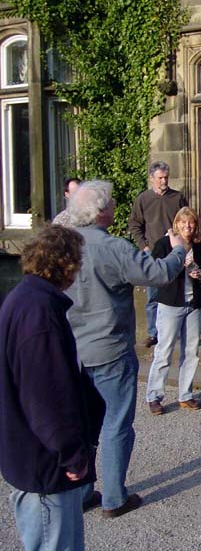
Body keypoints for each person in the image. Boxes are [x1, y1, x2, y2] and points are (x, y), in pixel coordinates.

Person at [67, 180, 187, 517]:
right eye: (113, 202)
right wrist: (179, 249)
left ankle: (82, 491)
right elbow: (158, 273)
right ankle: (114, 498)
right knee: (116, 422)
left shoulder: (65, 246)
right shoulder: (112, 247)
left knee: (85, 423)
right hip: (110, 349)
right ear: (103, 210)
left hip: (75, 350)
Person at [0, 225, 102, 551]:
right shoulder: (39, 314)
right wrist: (72, 454)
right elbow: (46, 397)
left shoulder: (24, 298)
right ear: (64, 264)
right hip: (45, 467)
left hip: (35, 460)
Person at [145, 207, 201, 414]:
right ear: (176, 224)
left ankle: (185, 395)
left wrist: (200, 274)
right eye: (183, 222)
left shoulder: (199, 248)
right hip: (170, 303)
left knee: (191, 351)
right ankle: (154, 396)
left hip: (192, 304)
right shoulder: (164, 244)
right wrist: (180, 264)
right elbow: (157, 271)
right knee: (164, 351)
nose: (187, 226)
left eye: (191, 223)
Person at [128, 161, 188, 347]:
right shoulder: (143, 199)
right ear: (152, 179)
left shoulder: (177, 198)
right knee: (153, 295)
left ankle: (176, 329)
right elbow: (135, 225)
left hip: (174, 251)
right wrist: (144, 246)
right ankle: (153, 333)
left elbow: (187, 219)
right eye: (160, 178)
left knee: (178, 292)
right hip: (153, 253)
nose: (163, 181)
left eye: (166, 177)